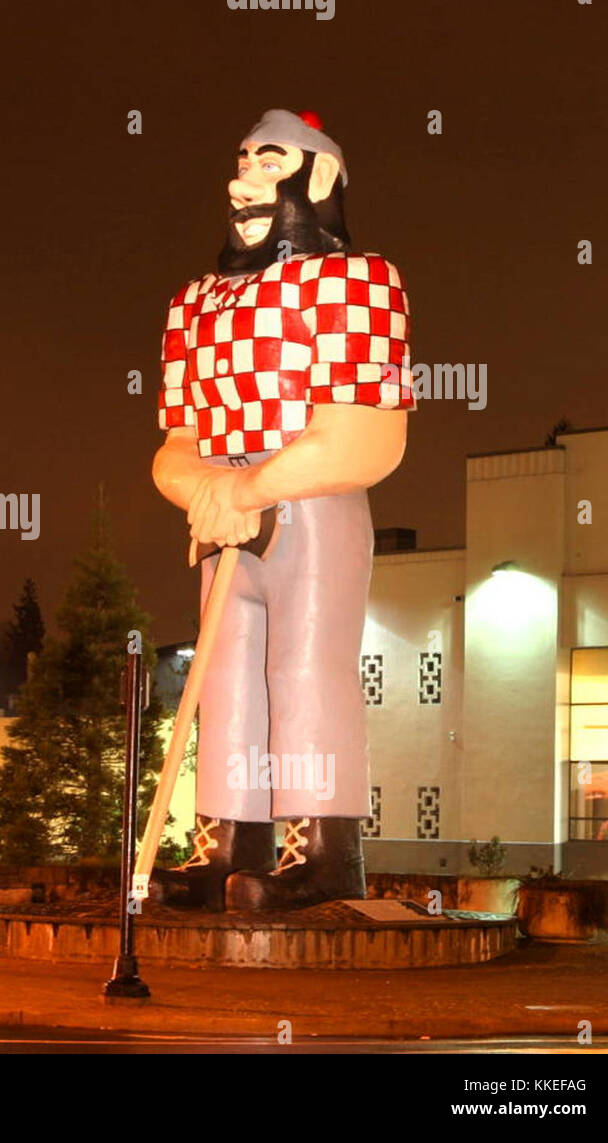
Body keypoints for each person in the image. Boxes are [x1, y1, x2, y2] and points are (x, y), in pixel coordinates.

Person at [152, 109, 415, 910]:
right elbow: (177, 437)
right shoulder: (192, 304)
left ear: (323, 180)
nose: (244, 183)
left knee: (306, 669)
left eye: (271, 165)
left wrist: (248, 488)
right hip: (225, 516)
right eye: (242, 163)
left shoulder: (360, 283)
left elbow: (368, 438)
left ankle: (320, 848)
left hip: (312, 509)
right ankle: (225, 842)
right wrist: (205, 485)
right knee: (227, 675)